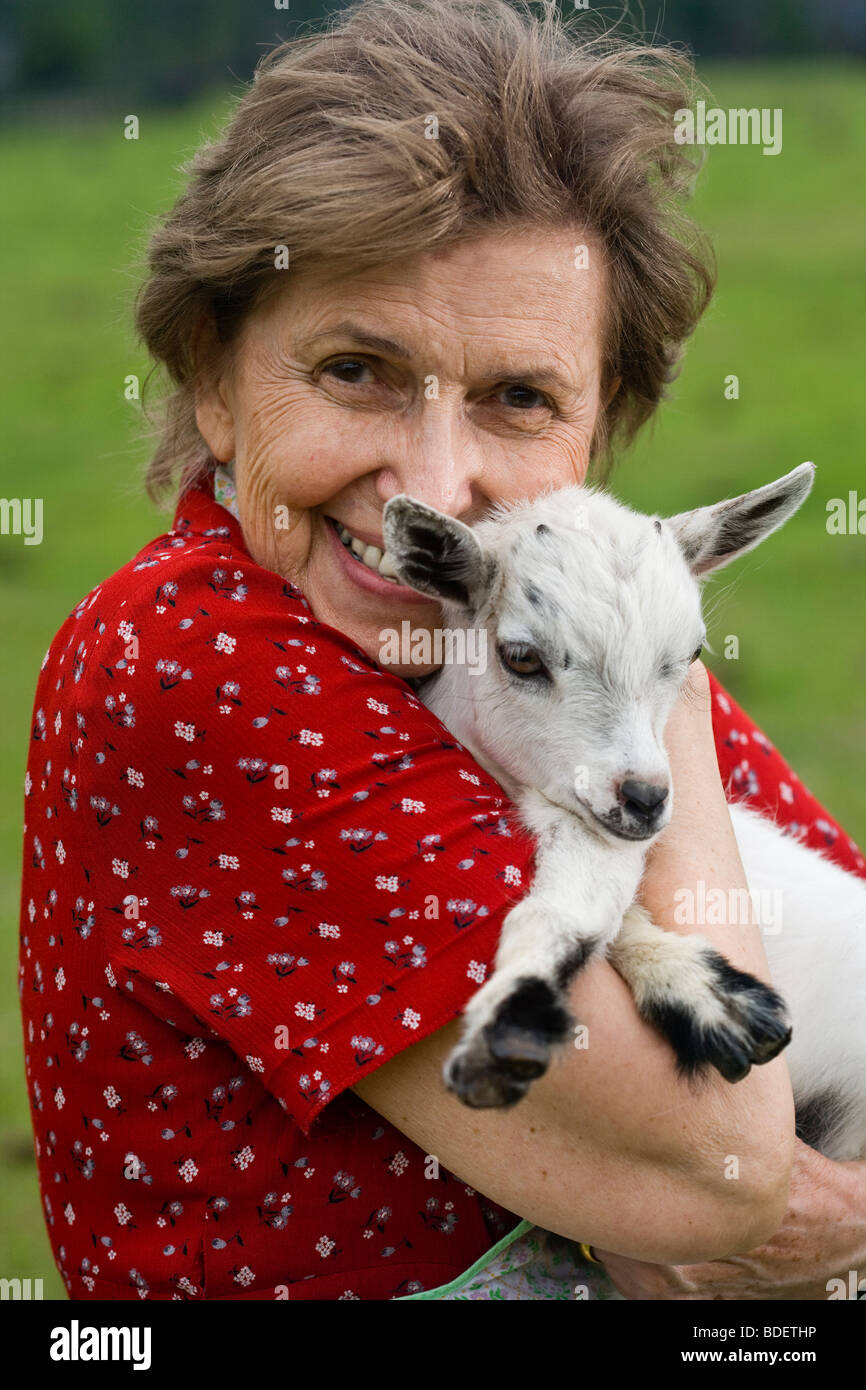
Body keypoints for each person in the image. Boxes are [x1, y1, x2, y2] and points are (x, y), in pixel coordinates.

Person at [19, 0, 865, 1300]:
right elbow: (729, 1165)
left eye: (518, 399)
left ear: (598, 435)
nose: (431, 480)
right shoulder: (197, 658)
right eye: (355, 369)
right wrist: (668, 681)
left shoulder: (549, 634)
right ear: (211, 375)